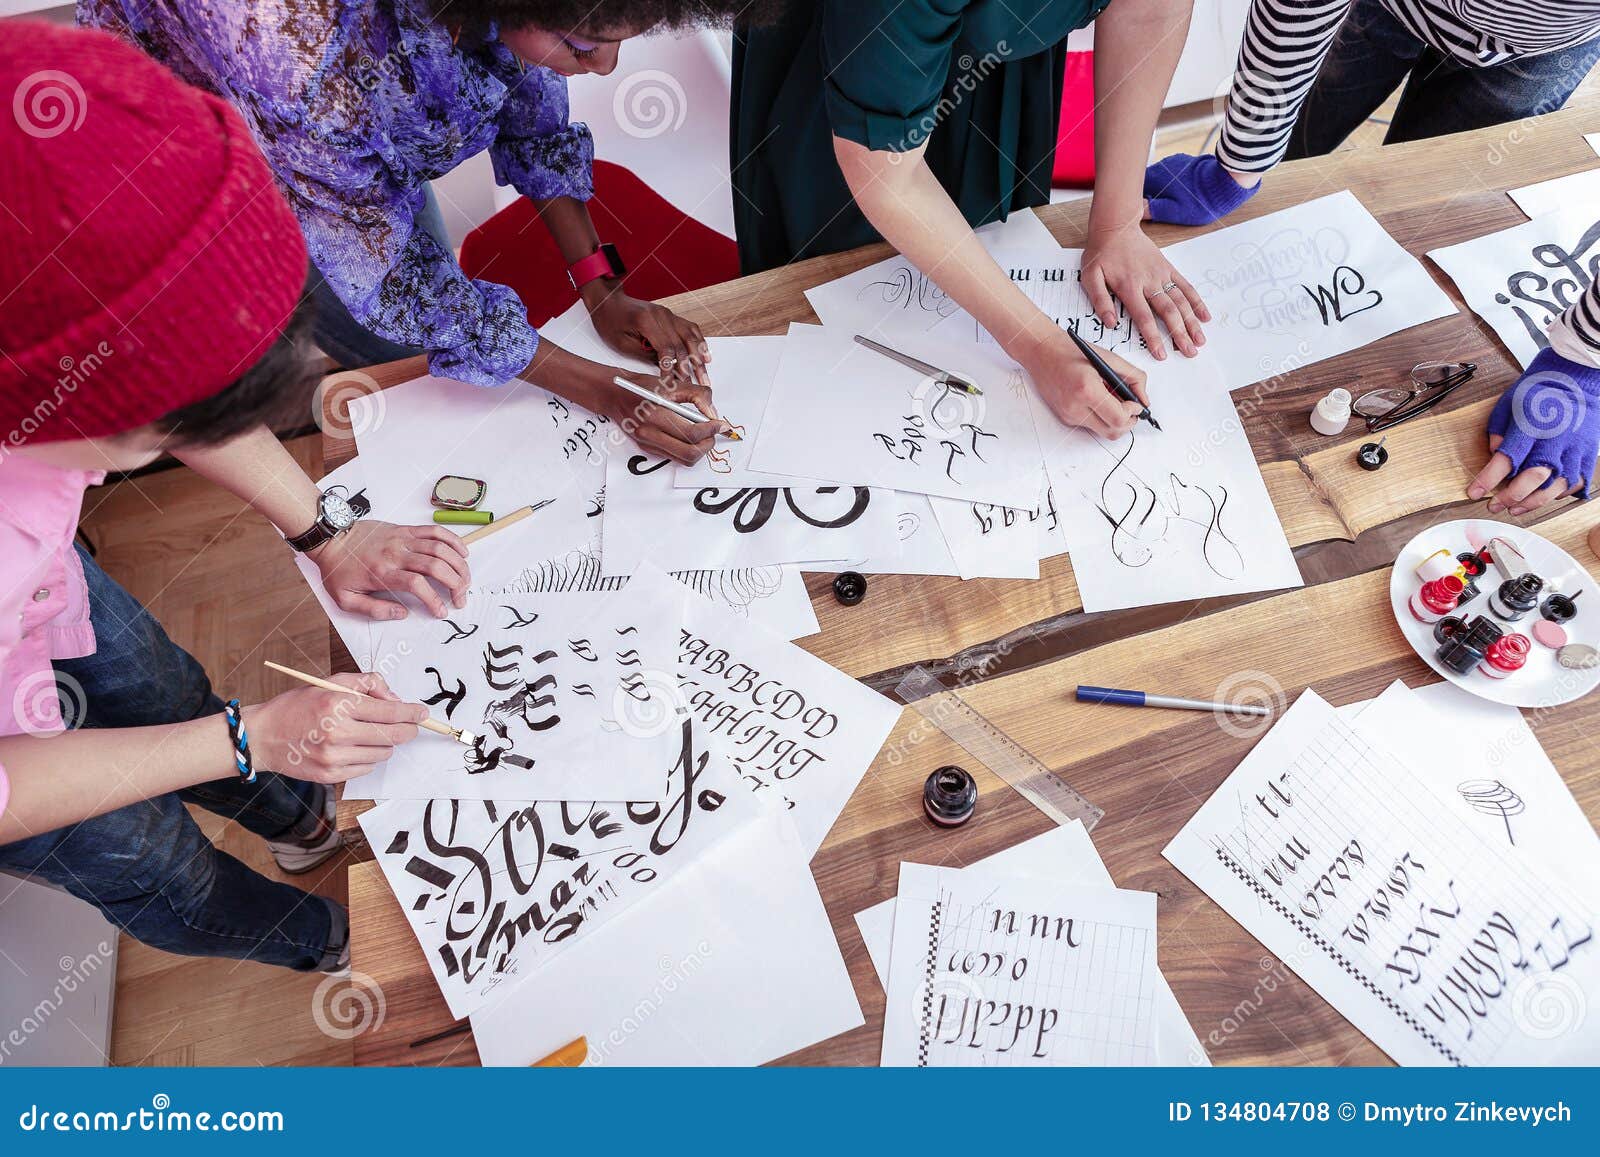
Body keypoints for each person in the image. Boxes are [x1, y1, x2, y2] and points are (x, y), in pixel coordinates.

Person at [0, 23, 462, 972]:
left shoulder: (48, 148)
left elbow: (170, 360)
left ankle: (302, 818)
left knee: (163, 686)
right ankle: (326, 939)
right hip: (23, 779)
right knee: (156, 862)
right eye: (155, 429)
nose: (173, 439)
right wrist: (248, 736)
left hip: (49, 596)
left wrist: (324, 529)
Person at [81, 0, 762, 466]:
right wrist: (607, 393)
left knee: (451, 355)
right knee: (404, 358)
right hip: (208, 151)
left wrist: (601, 289)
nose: (607, 67)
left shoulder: (526, 10)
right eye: (586, 46)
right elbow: (406, 285)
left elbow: (529, 102)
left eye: (618, 40)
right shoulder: (308, 66)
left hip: (336, 139)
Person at [1143, 0, 1600, 513]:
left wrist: (1584, 363)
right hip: (1382, 9)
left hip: (1539, 48)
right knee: (1294, 166)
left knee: (1414, 214)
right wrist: (1242, 164)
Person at [731, 0, 1207, 441]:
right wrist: (1041, 346)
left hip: (1001, 62)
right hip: (851, 79)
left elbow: (1149, 10)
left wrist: (1117, 223)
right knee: (846, 337)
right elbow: (886, 176)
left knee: (1002, 238)